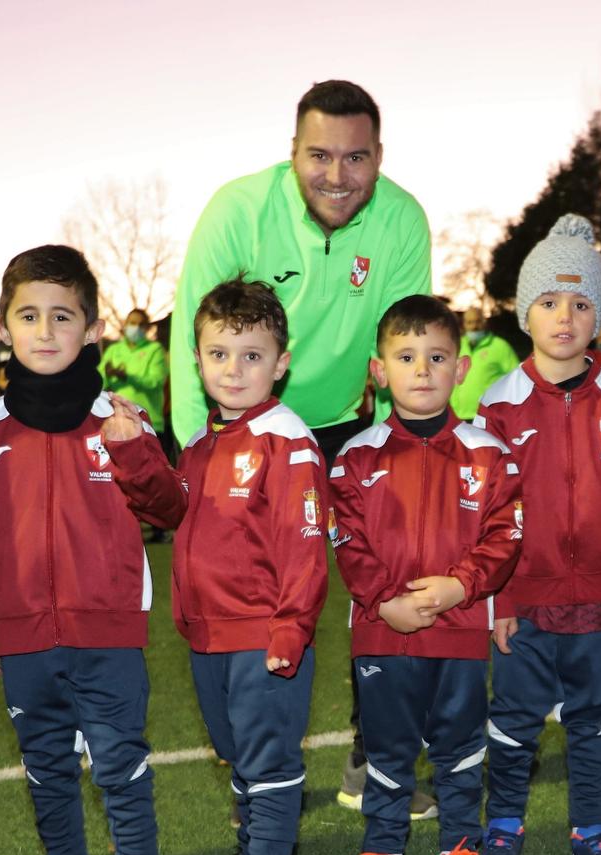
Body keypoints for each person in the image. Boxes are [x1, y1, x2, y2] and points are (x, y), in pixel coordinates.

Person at [168, 79, 430, 805]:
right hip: (243, 425)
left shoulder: (403, 219)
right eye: (319, 156)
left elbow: (401, 343)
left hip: (346, 421)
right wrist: (198, 458)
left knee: (398, 573)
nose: (337, 176)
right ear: (292, 152)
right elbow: (191, 333)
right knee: (248, 592)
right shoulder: (237, 210)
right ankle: (254, 769)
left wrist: (408, 451)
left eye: (356, 158)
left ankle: (377, 757)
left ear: (379, 156)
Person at [0, 246, 186, 855]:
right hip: (23, 632)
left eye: (63, 317)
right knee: (46, 765)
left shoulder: (119, 420)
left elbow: (170, 507)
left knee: (121, 763)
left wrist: (134, 451)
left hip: (107, 631)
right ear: (3, 327)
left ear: (92, 330)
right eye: (28, 316)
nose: (45, 331)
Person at [473, 214, 601, 855]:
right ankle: (503, 823)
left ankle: (592, 828)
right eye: (549, 302)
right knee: (514, 718)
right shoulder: (498, 406)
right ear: (526, 313)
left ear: (598, 317)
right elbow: (489, 514)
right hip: (525, 600)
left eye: (580, 304)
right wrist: (500, 599)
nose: (564, 317)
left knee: (594, 719)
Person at [329, 295, 523, 855]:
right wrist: (384, 600)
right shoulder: (356, 455)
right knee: (386, 750)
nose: (422, 370)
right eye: (406, 357)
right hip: (382, 633)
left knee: (460, 749)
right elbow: (346, 539)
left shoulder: (489, 453)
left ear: (460, 369)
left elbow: (506, 534)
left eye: (437, 357)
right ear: (379, 370)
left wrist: (460, 586)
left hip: (459, 632)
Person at [170, 278, 329, 855]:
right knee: (236, 752)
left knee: (267, 758)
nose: (233, 370)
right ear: (197, 360)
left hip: (263, 632)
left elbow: (305, 544)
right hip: (209, 633)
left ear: (281, 363)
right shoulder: (201, 442)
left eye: (252, 355)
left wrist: (291, 626)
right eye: (219, 354)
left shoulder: (285, 439)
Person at [100, 306, 170, 444]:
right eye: (132, 323)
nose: (136, 327)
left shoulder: (155, 350)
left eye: (141, 324)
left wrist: (128, 377)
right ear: (125, 324)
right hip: (117, 425)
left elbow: (156, 382)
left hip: (148, 424)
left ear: (147, 328)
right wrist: (107, 375)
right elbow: (96, 383)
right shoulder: (114, 350)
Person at [449, 303, 520, 420]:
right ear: (464, 325)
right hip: (458, 417)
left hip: (489, 418)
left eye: (478, 321)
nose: (474, 326)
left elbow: (517, 379)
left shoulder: (499, 346)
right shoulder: (455, 346)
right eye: (469, 322)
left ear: (484, 322)